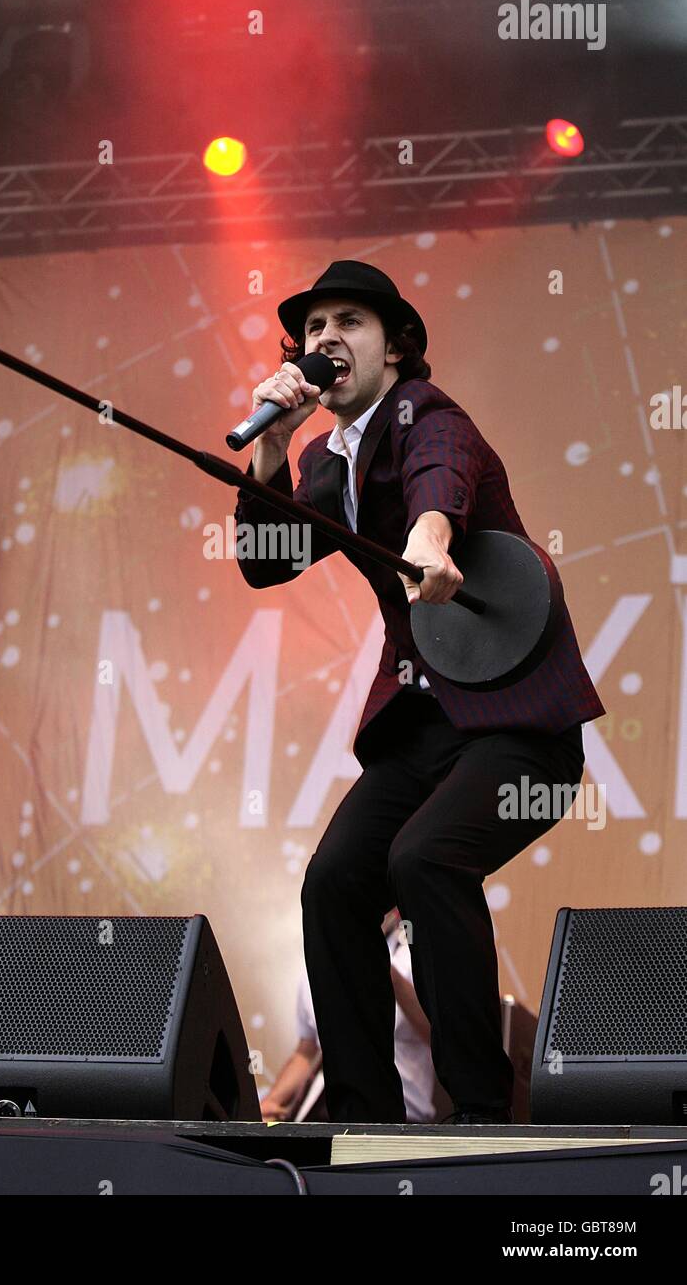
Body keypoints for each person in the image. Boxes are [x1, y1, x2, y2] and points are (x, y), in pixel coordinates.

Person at [233, 260, 606, 1126]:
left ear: (396, 346)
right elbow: (265, 562)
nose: (326, 339)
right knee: (334, 883)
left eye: (349, 323)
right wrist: (272, 446)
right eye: (313, 328)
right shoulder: (330, 459)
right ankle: (365, 1118)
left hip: (521, 731)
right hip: (425, 732)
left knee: (425, 857)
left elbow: (442, 475)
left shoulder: (424, 414)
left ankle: (478, 1112)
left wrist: (433, 537)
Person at [260, 909, 439, 1124]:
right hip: (325, 1116)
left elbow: (437, 1034)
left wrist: (378, 961)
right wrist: (269, 1103)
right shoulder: (316, 966)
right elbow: (306, 1052)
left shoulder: (417, 952)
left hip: (401, 1119)